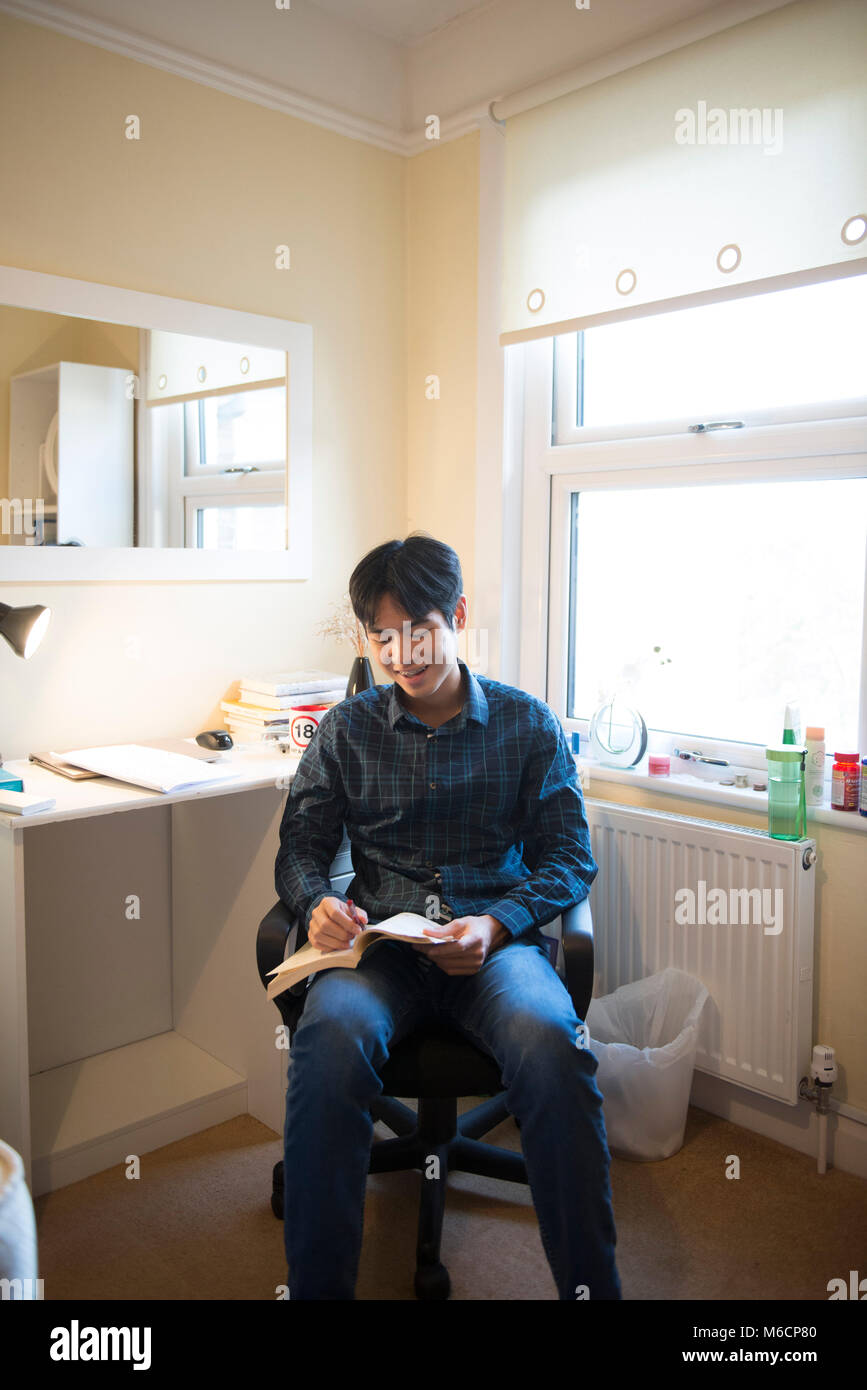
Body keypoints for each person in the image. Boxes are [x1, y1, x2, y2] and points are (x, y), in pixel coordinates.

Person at [274, 532, 622, 1300]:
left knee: (550, 1043)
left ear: (458, 613)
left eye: (419, 629)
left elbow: (569, 858)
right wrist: (316, 902)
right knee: (328, 1040)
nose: (402, 654)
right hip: (382, 951)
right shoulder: (346, 730)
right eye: (382, 636)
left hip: (491, 948)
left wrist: (497, 924)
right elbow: (298, 849)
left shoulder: (526, 726)